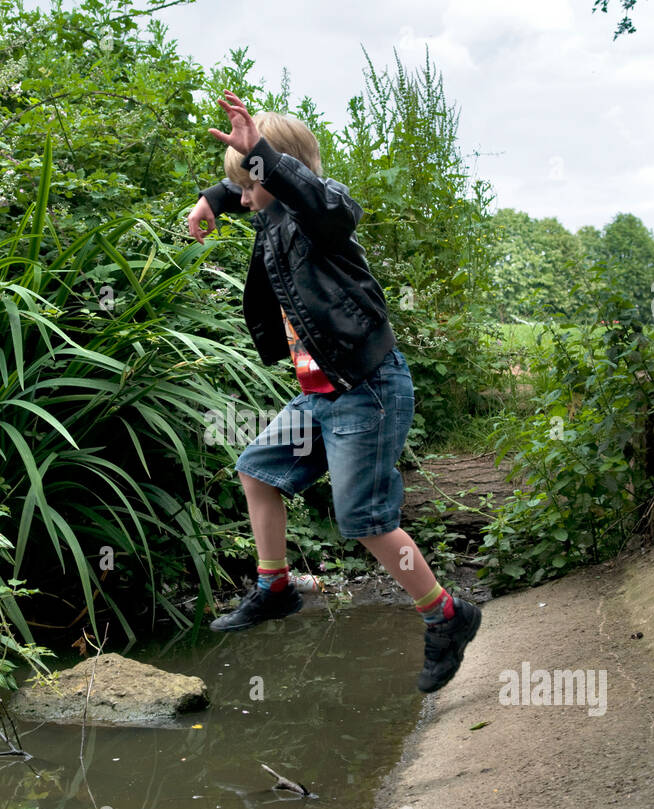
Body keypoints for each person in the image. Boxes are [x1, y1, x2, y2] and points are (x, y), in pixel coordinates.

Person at [186, 91, 481, 694]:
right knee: (258, 471)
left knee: (365, 519)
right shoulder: (271, 214)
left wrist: (260, 159)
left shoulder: (324, 214)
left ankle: (445, 615)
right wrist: (215, 198)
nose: (244, 200)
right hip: (322, 396)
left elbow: (313, 200)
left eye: (248, 184)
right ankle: (274, 586)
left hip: (366, 389)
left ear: (276, 168)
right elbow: (259, 199)